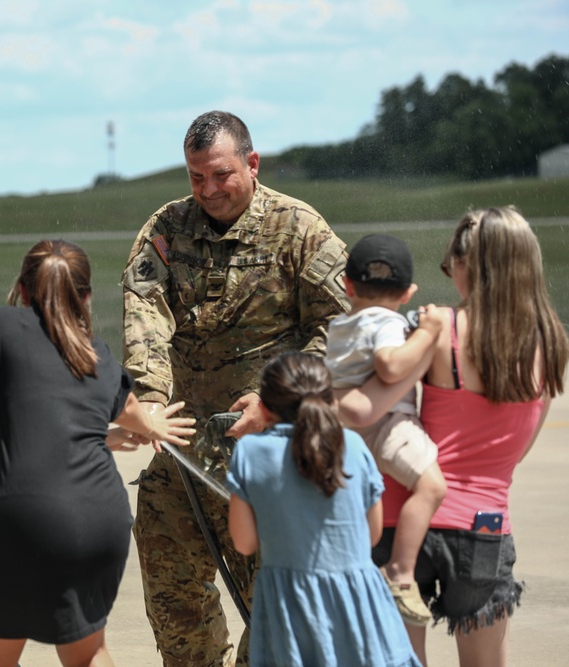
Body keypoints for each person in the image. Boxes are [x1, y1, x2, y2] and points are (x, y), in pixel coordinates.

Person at [121, 110, 349, 666]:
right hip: (183, 449)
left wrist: (281, 401)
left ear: (251, 163)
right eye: (196, 177)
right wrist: (149, 395)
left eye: (221, 175)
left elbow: (341, 324)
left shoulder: (298, 228)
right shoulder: (168, 228)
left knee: (276, 608)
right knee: (174, 601)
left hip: (266, 452)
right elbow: (144, 308)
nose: (208, 190)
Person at [0, 239, 196, 667]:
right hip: (103, 518)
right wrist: (140, 428)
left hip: (29, 519)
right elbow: (132, 414)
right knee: (86, 653)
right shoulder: (95, 350)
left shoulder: (4, 325)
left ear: (23, 291)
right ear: (86, 296)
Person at [338, 207, 569, 667]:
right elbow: (518, 453)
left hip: (403, 520)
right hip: (485, 529)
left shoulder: (440, 326)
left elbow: (367, 408)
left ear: (469, 267)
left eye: (451, 266)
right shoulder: (552, 341)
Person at [226, 351, 421, 666]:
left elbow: (244, 542)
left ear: (263, 407)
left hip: (291, 608)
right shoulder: (354, 446)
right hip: (360, 603)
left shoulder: (250, 451)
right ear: (330, 400)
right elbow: (372, 535)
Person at [325, 233, 448, 626]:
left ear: (347, 285)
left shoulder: (339, 325)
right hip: (388, 425)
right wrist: (428, 333)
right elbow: (390, 366)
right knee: (432, 487)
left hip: (345, 435)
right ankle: (401, 571)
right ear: (409, 292)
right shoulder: (387, 321)